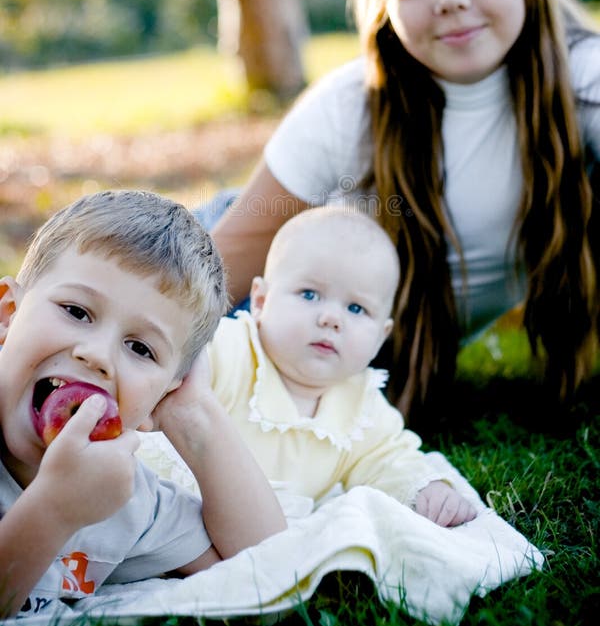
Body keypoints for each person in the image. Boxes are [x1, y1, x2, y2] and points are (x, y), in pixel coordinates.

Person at [209, 0, 600, 423]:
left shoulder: (584, 80)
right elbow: (212, 275)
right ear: (384, 0)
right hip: (260, 282)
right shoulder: (351, 108)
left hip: (351, 341)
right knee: (117, 294)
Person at [0, 190, 286, 620]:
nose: (96, 355)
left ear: (166, 392)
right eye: (77, 312)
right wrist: (54, 511)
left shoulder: (126, 496)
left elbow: (273, 575)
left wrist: (195, 416)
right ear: (7, 313)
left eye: (140, 348)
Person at [138, 207, 478, 528]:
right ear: (261, 301)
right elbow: (162, 371)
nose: (330, 319)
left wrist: (424, 491)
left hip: (243, 531)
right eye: (310, 295)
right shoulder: (228, 350)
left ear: (381, 336)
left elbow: (390, 460)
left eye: (356, 309)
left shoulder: (362, 408)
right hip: (157, 503)